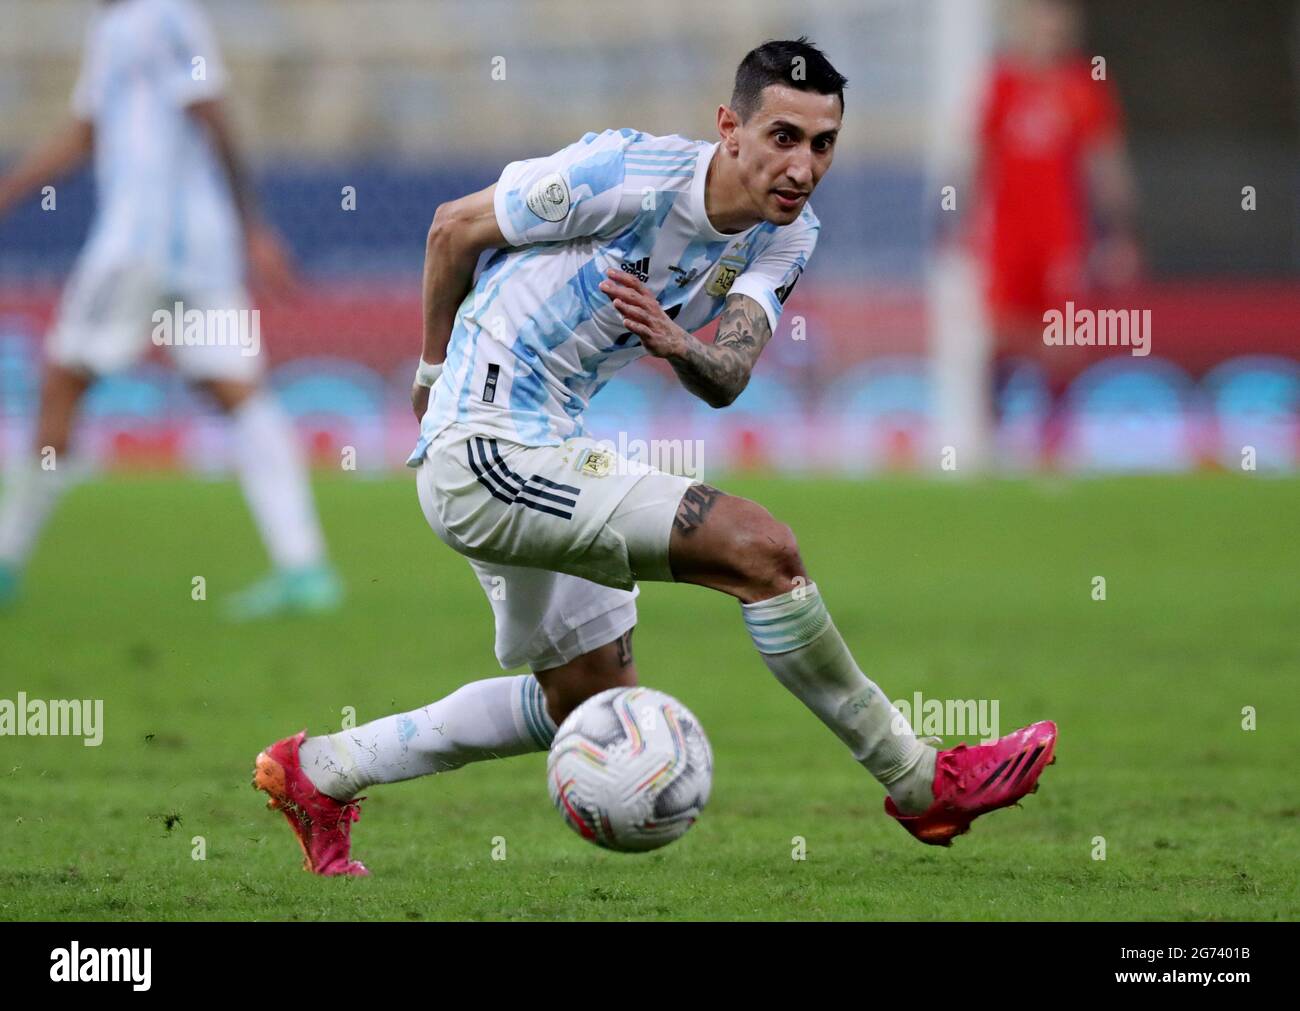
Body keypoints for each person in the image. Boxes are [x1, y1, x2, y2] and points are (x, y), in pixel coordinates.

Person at [254, 38, 1056, 876]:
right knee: (762, 549)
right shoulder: (624, 173)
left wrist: (679, 343)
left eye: (823, 144)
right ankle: (921, 780)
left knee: (584, 703)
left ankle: (321, 771)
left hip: (551, 445)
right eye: (783, 136)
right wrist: (429, 374)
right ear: (730, 129)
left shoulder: (788, 236)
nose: (802, 166)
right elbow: (452, 228)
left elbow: (729, 374)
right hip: (483, 448)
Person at [0, 0, 341, 620]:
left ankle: (6, 560)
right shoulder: (113, 28)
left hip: (140, 243)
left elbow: (210, 108)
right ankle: (306, 568)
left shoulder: (164, 14)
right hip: (198, 247)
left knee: (62, 381)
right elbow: (85, 132)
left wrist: (255, 225)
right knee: (236, 389)